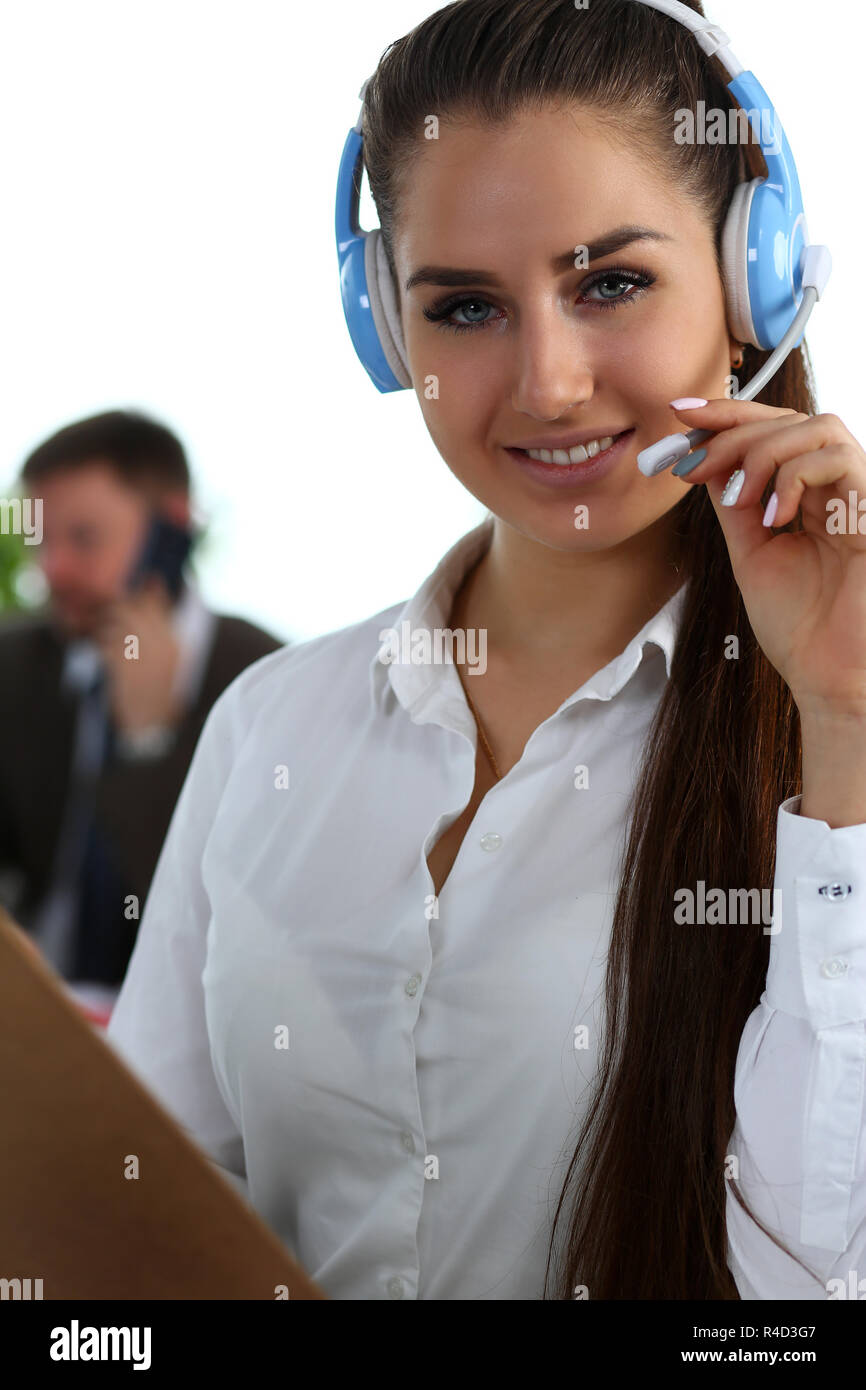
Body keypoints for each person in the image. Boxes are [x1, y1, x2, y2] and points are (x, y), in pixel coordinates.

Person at [107, 0, 866, 1299]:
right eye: (463, 306)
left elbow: (816, 1281)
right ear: (385, 330)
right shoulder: (270, 725)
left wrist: (844, 723)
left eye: (609, 282)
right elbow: (138, 1201)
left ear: (756, 280)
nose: (548, 381)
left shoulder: (830, 725)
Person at [0, 409, 282, 1002]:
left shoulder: (266, 681)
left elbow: (237, 924)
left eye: (83, 538)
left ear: (171, 530)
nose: (53, 570)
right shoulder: (17, 662)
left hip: (186, 1026)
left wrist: (148, 742)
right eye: (42, 542)